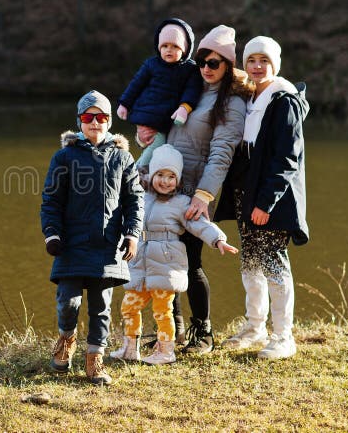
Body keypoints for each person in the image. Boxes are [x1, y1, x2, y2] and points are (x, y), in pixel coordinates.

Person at [138, 25, 254, 354]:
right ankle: (169, 331)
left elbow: (222, 152)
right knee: (163, 257)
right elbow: (166, 127)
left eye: (214, 63)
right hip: (165, 186)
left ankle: (203, 333)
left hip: (196, 191)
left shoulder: (231, 102)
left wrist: (204, 197)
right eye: (202, 60)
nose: (206, 68)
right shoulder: (193, 88)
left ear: (228, 66)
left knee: (189, 258)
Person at [214, 35, 309, 360]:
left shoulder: (284, 101)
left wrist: (265, 203)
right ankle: (254, 327)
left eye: (264, 61)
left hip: (272, 198)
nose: (256, 66)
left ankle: (283, 337)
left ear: (275, 65)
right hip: (246, 192)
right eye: (251, 60)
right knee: (250, 262)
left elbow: (286, 159)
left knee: (274, 264)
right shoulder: (250, 96)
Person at [40, 90, 144, 385]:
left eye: (101, 117)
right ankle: (66, 340)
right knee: (68, 302)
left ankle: (95, 359)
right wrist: (52, 234)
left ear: (109, 121)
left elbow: (135, 200)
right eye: (88, 117)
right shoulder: (64, 156)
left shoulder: (123, 158)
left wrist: (132, 233)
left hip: (107, 247)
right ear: (80, 121)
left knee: (101, 308)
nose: (95, 122)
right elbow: (51, 201)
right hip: (71, 245)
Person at [109, 144, 238, 365]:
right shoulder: (140, 197)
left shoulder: (181, 203)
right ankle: (130, 347)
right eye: (160, 174)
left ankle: (166, 350)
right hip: (140, 264)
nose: (165, 181)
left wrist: (218, 239)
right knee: (129, 306)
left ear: (177, 180)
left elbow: (200, 224)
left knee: (162, 311)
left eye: (171, 176)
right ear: (151, 175)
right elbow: (123, 218)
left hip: (166, 265)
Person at [116, 18, 203, 171]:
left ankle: (136, 171)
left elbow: (192, 90)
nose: (169, 50)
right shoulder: (151, 64)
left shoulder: (190, 70)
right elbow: (136, 84)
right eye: (165, 46)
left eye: (175, 46)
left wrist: (185, 107)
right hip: (146, 112)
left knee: (158, 144)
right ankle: (137, 170)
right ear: (158, 47)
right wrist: (125, 103)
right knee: (157, 142)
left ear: (185, 49)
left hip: (165, 117)